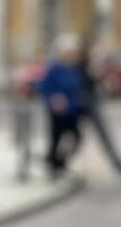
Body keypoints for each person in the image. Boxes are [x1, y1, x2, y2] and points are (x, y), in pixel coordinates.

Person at [34, 33, 86, 177]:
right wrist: (53, 98)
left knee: (76, 137)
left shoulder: (74, 68)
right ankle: (54, 165)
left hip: (72, 111)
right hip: (57, 111)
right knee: (55, 138)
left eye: (74, 53)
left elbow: (79, 87)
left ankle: (60, 161)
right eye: (69, 52)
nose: (72, 55)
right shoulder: (54, 67)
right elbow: (44, 86)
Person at [78, 37, 121, 175]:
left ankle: (117, 162)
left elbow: (98, 79)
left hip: (90, 103)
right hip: (79, 104)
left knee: (103, 135)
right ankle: (59, 161)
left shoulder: (92, 64)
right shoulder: (79, 64)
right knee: (74, 135)